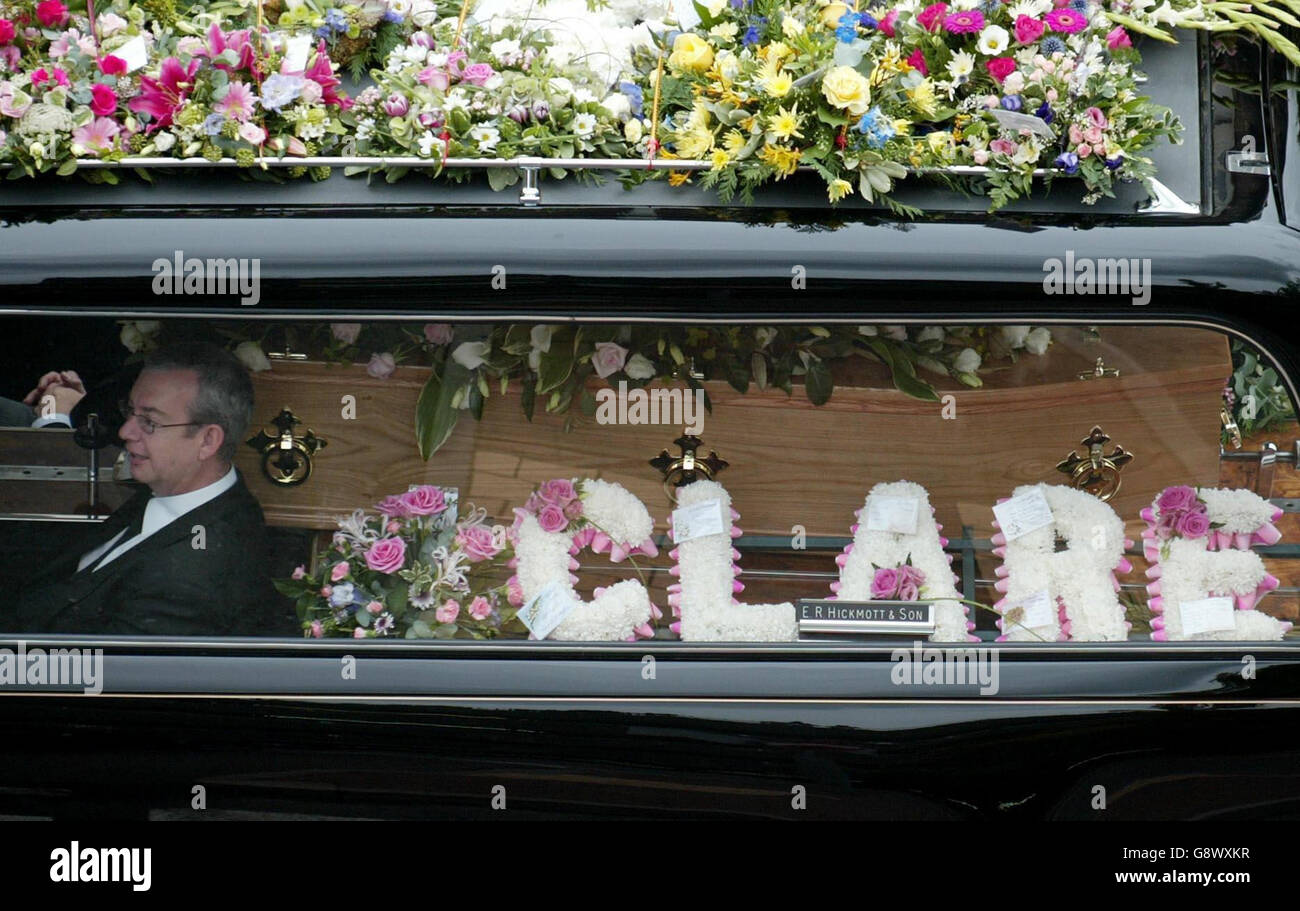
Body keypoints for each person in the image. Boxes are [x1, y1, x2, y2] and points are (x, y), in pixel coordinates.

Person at [9, 343, 282, 636]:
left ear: (207, 441)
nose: (126, 432)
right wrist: (58, 416)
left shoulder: (184, 582)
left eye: (149, 422)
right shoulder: (189, 490)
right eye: (130, 411)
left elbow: (94, 674)